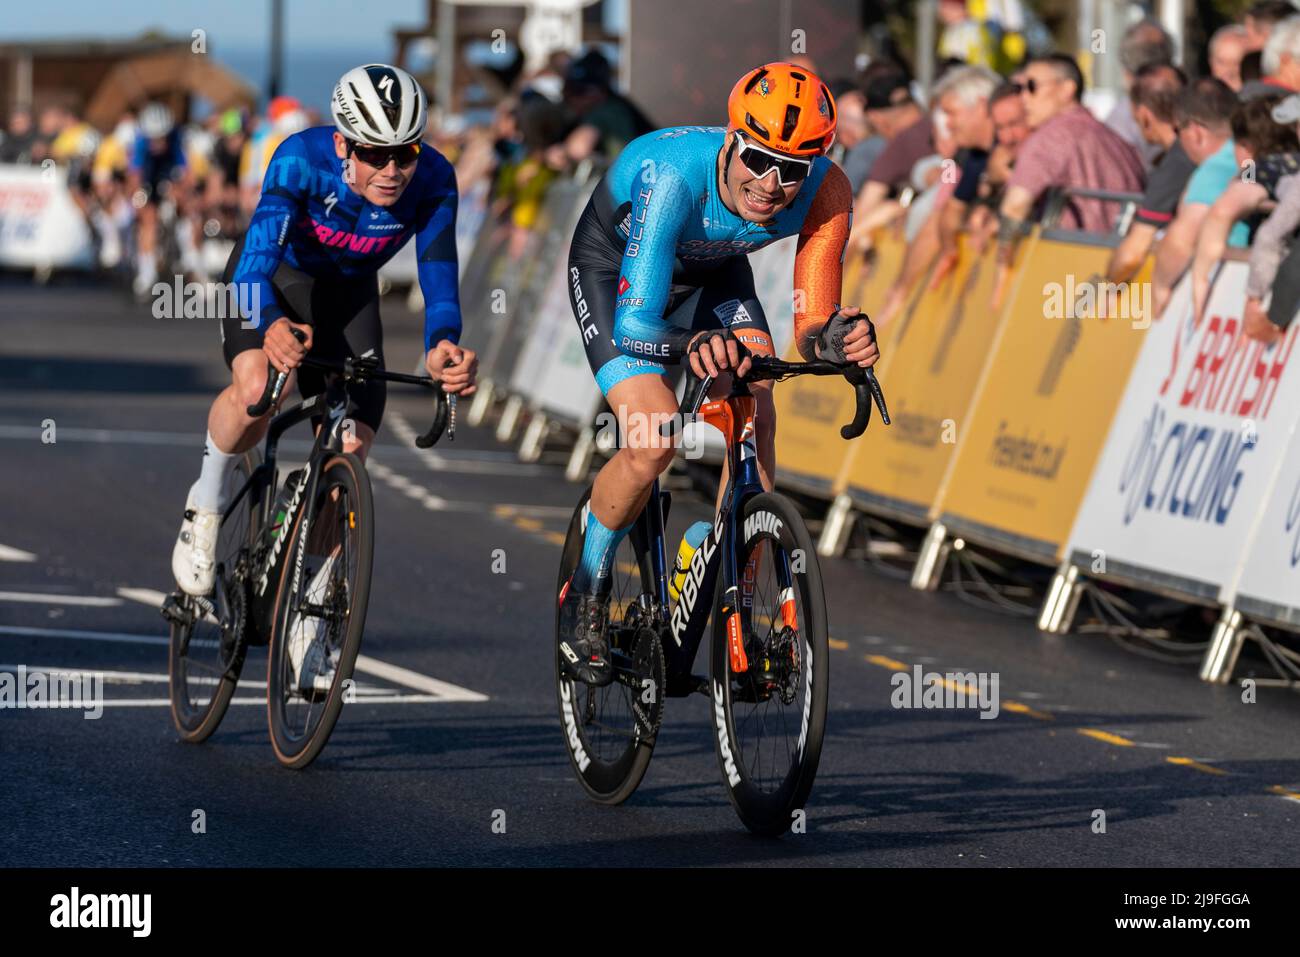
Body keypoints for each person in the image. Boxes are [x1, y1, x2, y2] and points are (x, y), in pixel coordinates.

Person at [558, 62, 879, 685]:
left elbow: (811, 325)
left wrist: (838, 339)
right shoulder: (672, 175)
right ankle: (586, 593)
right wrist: (694, 341)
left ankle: (734, 568)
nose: (770, 184)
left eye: (792, 170)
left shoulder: (830, 192)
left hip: (714, 276)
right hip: (620, 273)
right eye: (758, 159)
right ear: (731, 139)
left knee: (757, 404)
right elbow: (636, 323)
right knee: (652, 437)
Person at [170, 64, 478, 692]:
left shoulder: (434, 180)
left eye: (406, 152)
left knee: (353, 447)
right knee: (257, 386)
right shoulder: (300, 159)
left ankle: (312, 611)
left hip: (347, 296)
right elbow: (256, 259)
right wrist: (270, 324)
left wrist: (444, 344)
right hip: (272, 278)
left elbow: (438, 274)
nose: (393, 169)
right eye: (376, 153)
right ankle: (203, 506)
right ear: (343, 144)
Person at [1151, 77, 1245, 317]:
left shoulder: (1215, 168)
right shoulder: (1259, 149)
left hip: (1232, 296)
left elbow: (1181, 241)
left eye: (1177, 130)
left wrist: (1160, 286)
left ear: (1195, 132)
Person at [1105, 64, 1192, 283]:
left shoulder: (1177, 163)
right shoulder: (1196, 148)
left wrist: (1106, 285)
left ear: (1144, 115)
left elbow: (1132, 255)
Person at [128, 102, 196, 297]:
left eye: (161, 138)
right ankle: (146, 273)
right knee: (147, 218)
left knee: (186, 206)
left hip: (170, 175)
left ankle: (190, 260)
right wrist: (139, 198)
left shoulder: (178, 138)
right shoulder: (140, 141)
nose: (157, 143)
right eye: (153, 139)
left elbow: (188, 174)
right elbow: (134, 177)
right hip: (149, 178)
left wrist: (183, 193)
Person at [1209, 24, 1251, 91]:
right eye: (1222, 62)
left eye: (1236, 63)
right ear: (1211, 61)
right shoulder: (1198, 99)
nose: (1229, 71)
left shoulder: (1262, 99)